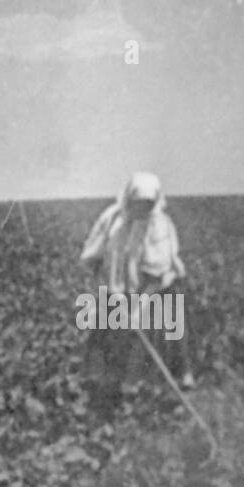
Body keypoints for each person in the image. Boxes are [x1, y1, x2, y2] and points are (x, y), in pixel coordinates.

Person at [80, 171, 194, 412]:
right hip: (118, 290)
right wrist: (108, 291)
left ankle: (172, 384)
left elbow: (155, 277)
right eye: (138, 203)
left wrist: (137, 309)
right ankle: (102, 388)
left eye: (147, 204)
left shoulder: (158, 224)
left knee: (162, 333)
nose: (142, 208)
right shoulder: (112, 219)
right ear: (129, 199)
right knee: (104, 332)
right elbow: (95, 259)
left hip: (159, 288)